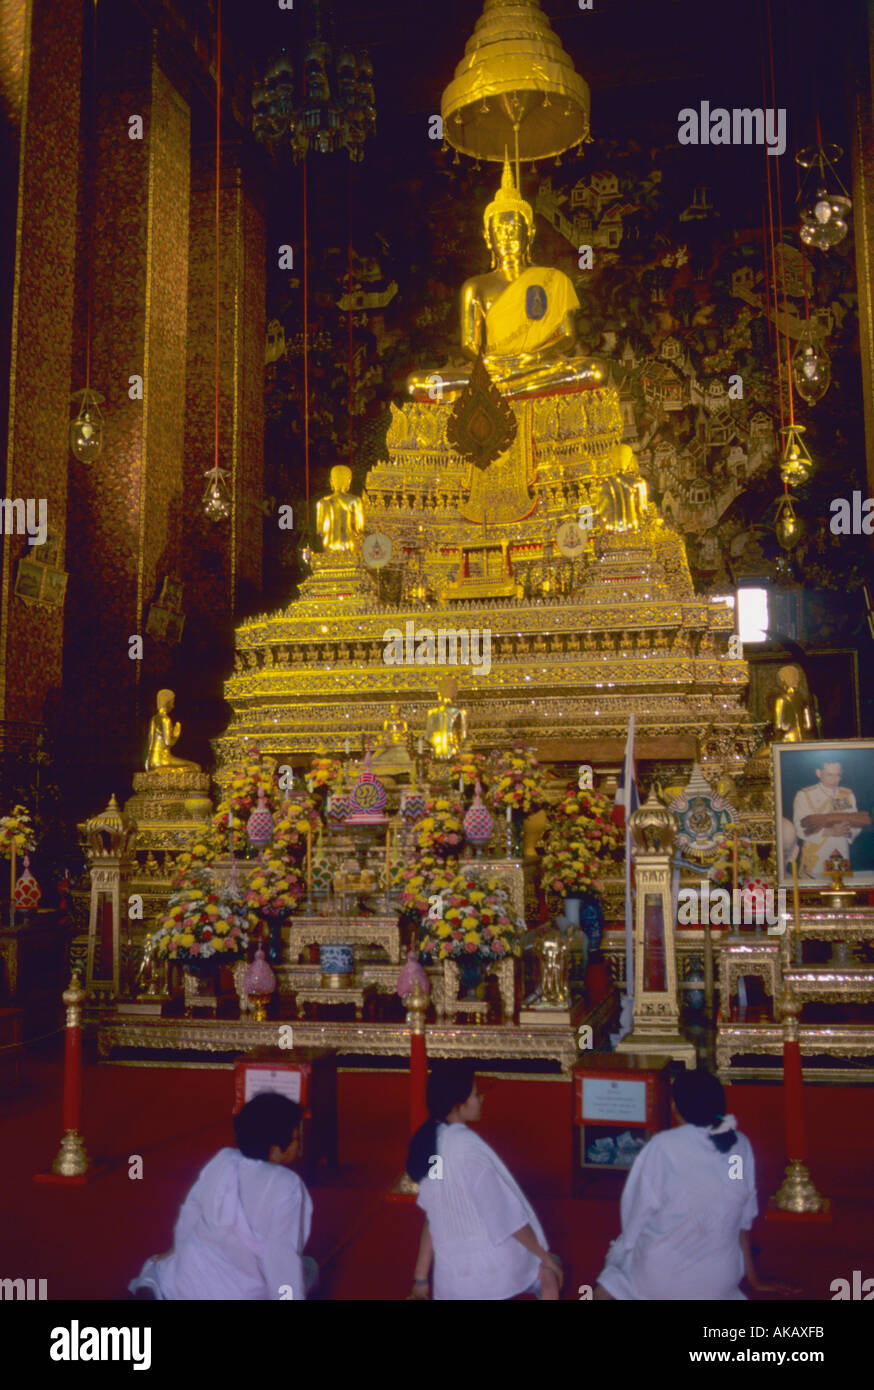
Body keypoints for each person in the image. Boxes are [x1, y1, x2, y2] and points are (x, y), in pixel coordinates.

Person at [594, 1070, 792, 1301]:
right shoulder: (740, 1146)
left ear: (675, 1107)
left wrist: (624, 1249)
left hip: (659, 1281)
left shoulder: (662, 1147)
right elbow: (742, 1217)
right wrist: (753, 1279)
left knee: (606, 1286)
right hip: (719, 1283)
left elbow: (634, 1216)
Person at [128, 1092, 316, 1300]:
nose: (298, 1146)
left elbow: (190, 1212)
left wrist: (175, 1252)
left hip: (187, 1280)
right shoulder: (287, 1184)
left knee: (157, 1265)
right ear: (274, 1151)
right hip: (242, 1291)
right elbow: (281, 1255)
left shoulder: (223, 1159)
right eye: (295, 1139)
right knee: (308, 1268)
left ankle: (153, 1288)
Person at [407, 1060, 562, 1301]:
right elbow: (508, 1219)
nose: (481, 1099)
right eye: (475, 1094)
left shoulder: (431, 1146)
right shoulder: (470, 1150)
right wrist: (544, 1256)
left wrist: (421, 1279)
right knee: (549, 1270)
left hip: (451, 1283)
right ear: (458, 1105)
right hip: (491, 1276)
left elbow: (433, 1214)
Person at [792, 759, 866, 880]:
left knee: (840, 891)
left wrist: (848, 831)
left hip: (840, 855)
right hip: (816, 858)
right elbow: (799, 827)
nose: (835, 780)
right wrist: (830, 831)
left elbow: (856, 823)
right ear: (818, 773)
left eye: (838, 775)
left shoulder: (847, 795)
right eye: (830, 775)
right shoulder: (805, 795)